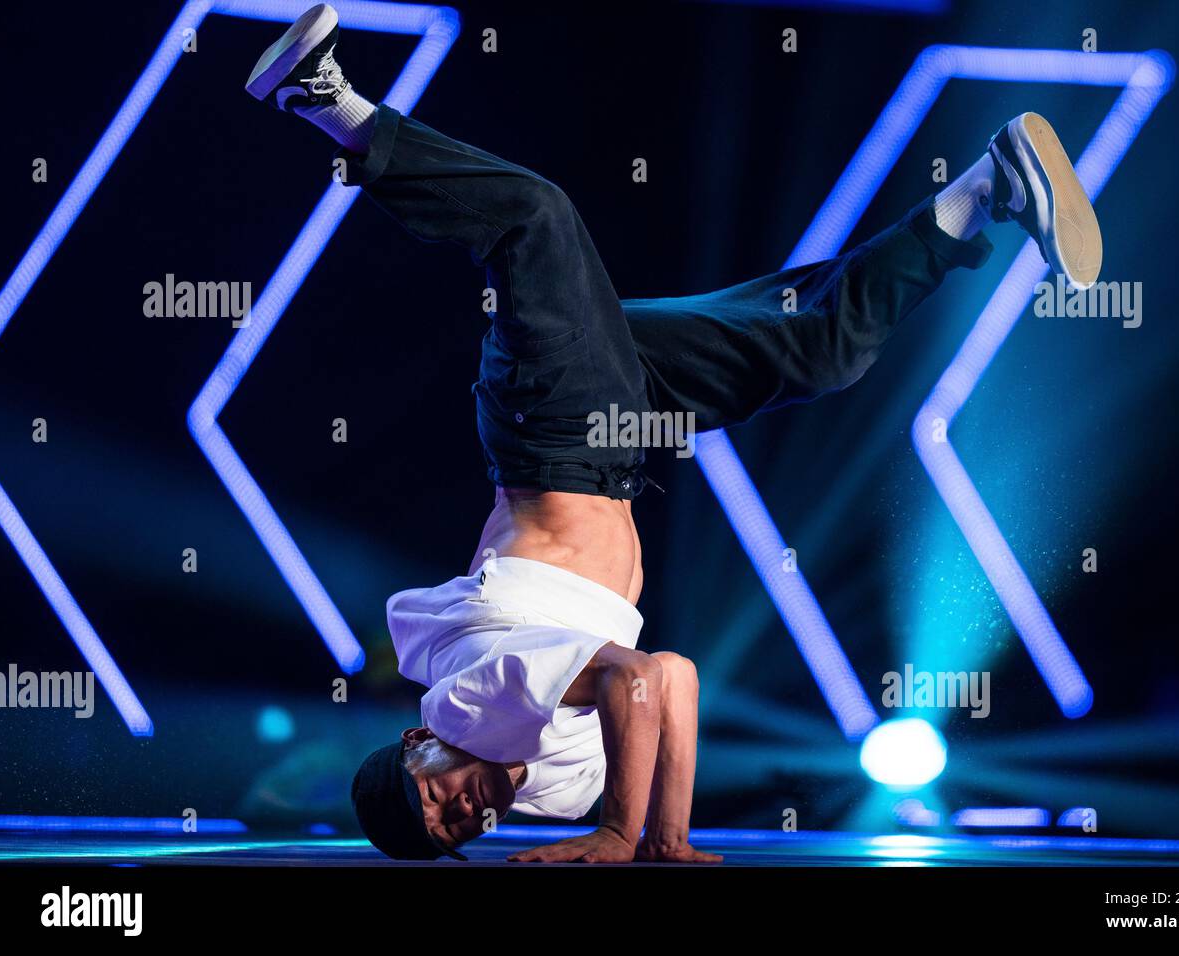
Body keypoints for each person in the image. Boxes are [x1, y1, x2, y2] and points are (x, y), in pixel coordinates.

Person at [246, 4, 1101, 862]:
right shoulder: (555, 792)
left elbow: (627, 677)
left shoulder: (469, 707)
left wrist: (622, 833)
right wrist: (668, 843)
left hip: (550, 426)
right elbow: (669, 678)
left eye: (433, 794)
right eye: (452, 831)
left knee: (536, 218)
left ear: (416, 743)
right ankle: (985, 187)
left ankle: (325, 100)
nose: (461, 810)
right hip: (619, 418)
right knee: (817, 351)